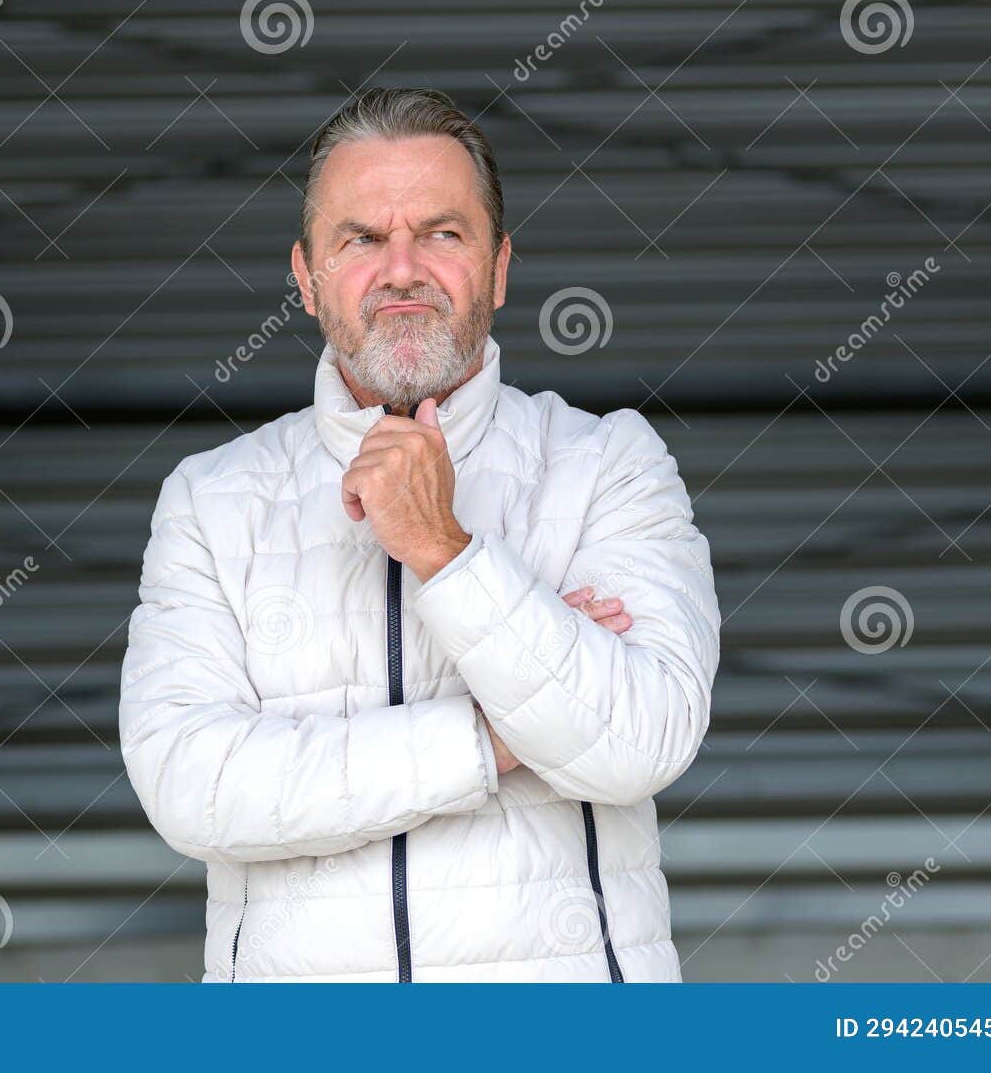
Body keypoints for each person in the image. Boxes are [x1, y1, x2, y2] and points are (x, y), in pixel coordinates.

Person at [118, 87, 720, 981]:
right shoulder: (212, 499)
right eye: (361, 238)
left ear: (500, 267)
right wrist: (488, 740)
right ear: (306, 276)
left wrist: (448, 549)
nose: (401, 269)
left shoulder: (608, 463)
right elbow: (191, 785)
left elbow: (639, 740)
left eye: (442, 232)